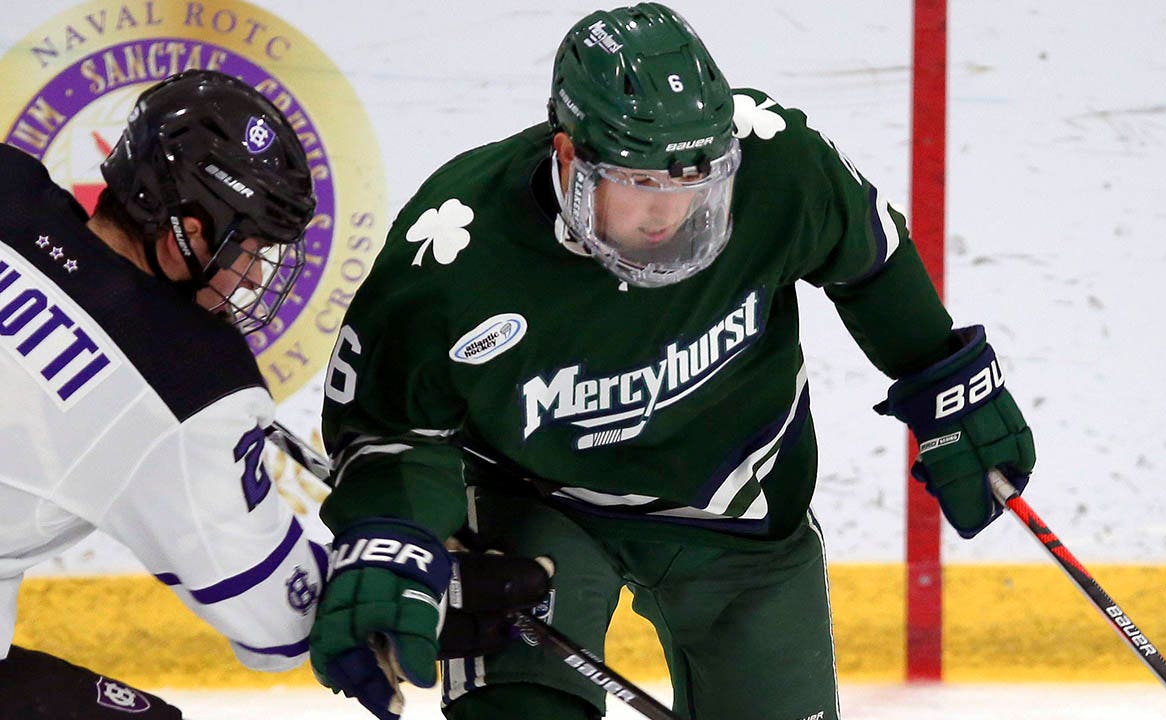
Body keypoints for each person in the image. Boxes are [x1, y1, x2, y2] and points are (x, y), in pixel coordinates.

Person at [311, 4, 1036, 719]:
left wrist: (944, 378)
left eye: (694, 186)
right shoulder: (451, 253)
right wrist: (393, 537)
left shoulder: (776, 160)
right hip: (534, 510)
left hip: (742, 501)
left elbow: (867, 260)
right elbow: (389, 428)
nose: (668, 216)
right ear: (568, 156)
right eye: (641, 186)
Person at [0, 69, 324, 718]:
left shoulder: (8, 181)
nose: (252, 275)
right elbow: (278, 623)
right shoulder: (187, 384)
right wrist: (400, 581)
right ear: (188, 229)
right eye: (250, 247)